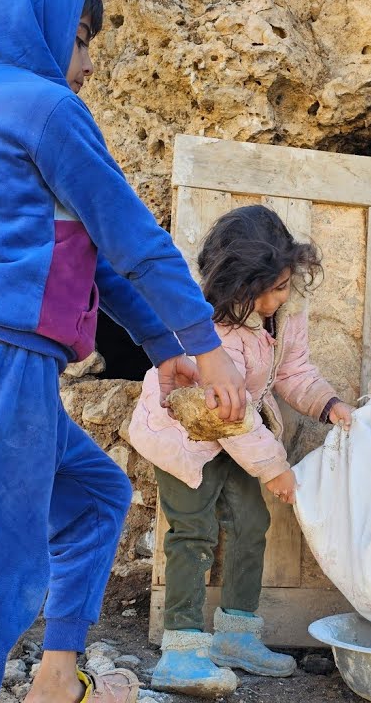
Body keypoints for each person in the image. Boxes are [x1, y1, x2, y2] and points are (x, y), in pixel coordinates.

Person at [0, 0, 247, 702]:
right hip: (5, 353)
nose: (91, 63)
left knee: (97, 493)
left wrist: (165, 350)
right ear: (43, 23)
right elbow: (133, 238)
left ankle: (58, 676)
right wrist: (208, 346)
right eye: (84, 37)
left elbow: (93, 255)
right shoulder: (46, 104)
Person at [127, 205, 354, 696]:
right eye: (269, 289)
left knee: (252, 524)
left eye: (285, 284)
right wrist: (275, 467)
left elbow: (293, 373)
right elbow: (228, 412)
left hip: (235, 433)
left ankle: (236, 636)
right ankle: (181, 650)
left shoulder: (284, 316)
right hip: (186, 435)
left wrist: (328, 404)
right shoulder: (211, 331)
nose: (279, 297)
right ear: (236, 286)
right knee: (192, 532)